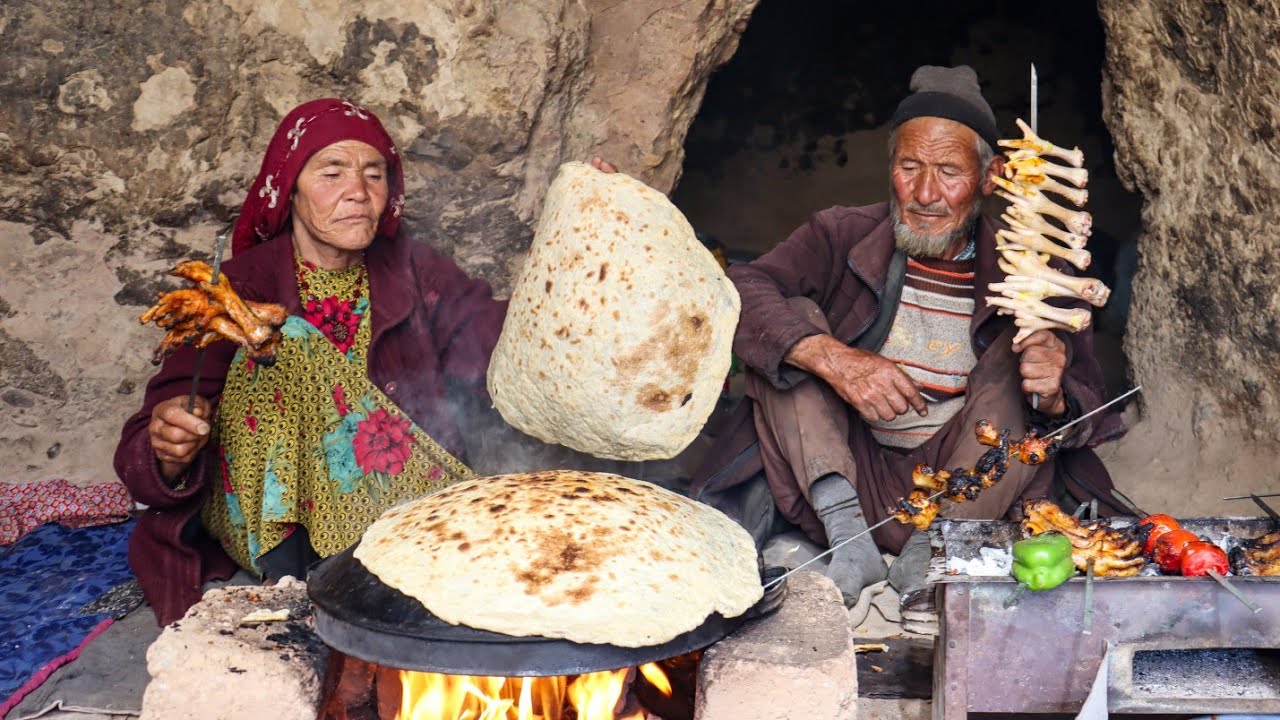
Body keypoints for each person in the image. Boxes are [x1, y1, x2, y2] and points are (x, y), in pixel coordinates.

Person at [689, 66, 1125, 611]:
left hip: (967, 492)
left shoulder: (1035, 271)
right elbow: (741, 286)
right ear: (890, 168)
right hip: (848, 478)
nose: (924, 193)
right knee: (791, 324)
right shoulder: (839, 233)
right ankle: (850, 542)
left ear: (989, 180)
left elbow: (1090, 413)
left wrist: (1055, 392)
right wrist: (833, 358)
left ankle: (933, 546)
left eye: (949, 171)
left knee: (1016, 356)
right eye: (909, 166)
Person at [115, 98, 507, 625]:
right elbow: (149, 445)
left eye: (374, 174)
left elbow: (499, 341)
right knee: (284, 338)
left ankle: (377, 555)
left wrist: (581, 233)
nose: (358, 192)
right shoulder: (238, 290)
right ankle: (292, 583)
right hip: (269, 518)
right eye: (332, 173)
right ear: (289, 190)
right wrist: (168, 447)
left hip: (395, 501)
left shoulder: (417, 272)